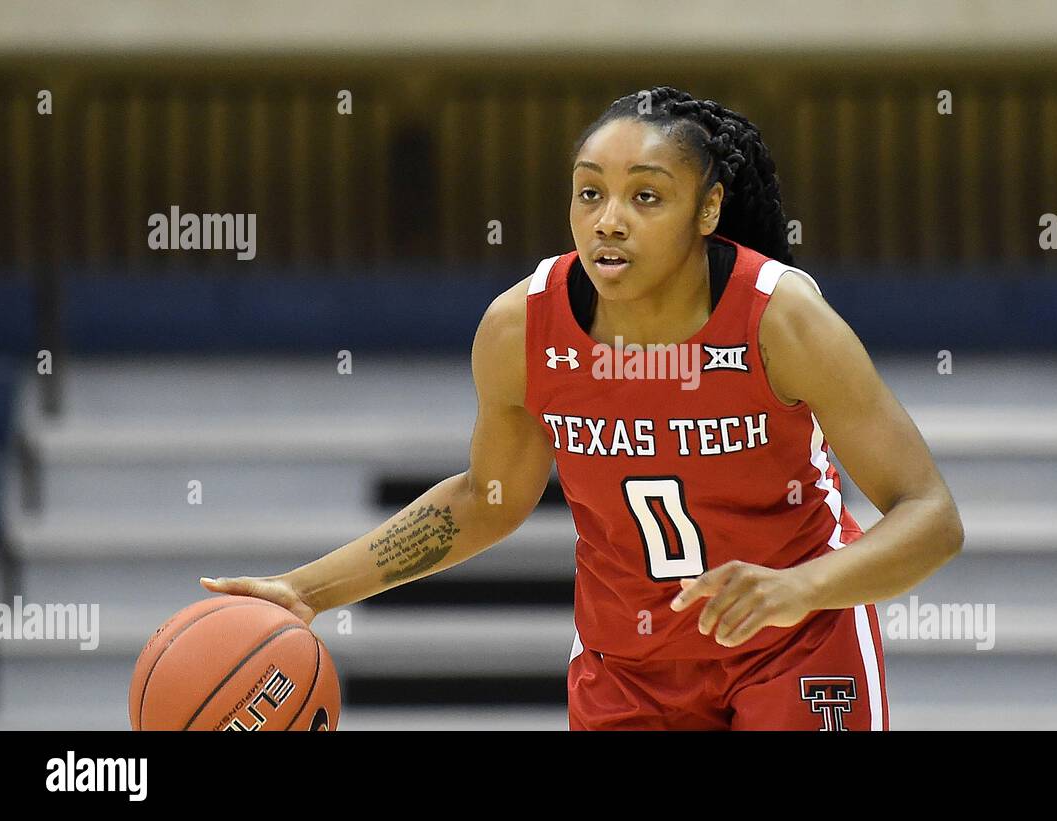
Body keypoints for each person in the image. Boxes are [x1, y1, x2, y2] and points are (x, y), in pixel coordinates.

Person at [202, 86, 963, 730]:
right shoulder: (520, 329)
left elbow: (931, 515)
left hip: (794, 641)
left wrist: (803, 585)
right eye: (590, 191)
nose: (609, 219)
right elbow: (484, 500)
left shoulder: (781, 318)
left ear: (709, 210)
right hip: (625, 663)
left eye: (646, 196)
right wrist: (306, 590)